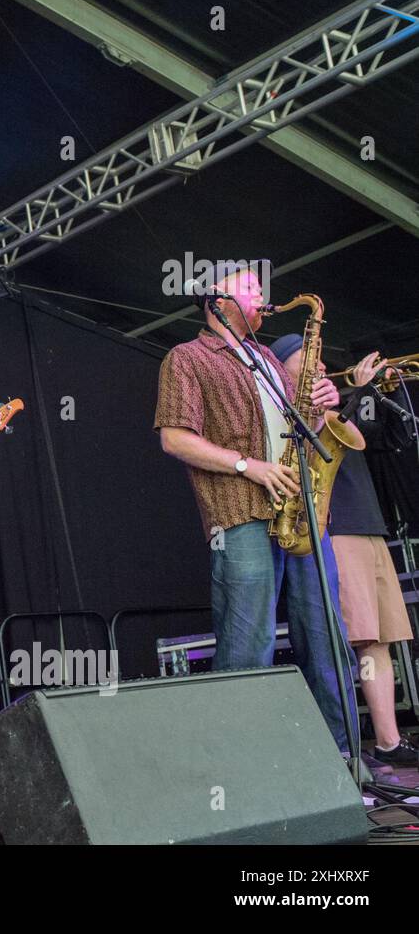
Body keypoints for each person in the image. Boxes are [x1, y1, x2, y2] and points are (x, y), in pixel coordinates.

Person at [154, 269, 358, 756]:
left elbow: (299, 430)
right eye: (253, 290)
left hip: (299, 508)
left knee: (326, 638)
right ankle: (243, 767)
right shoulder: (186, 357)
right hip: (240, 513)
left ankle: (344, 758)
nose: (265, 300)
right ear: (217, 299)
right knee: (249, 647)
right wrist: (249, 466)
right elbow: (174, 437)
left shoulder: (267, 358)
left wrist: (322, 406)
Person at [286, 343, 417, 768]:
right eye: (308, 358)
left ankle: (388, 741)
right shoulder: (295, 411)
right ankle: (344, 747)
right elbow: (337, 434)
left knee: (377, 638)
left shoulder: (342, 405)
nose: (322, 365)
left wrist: (389, 392)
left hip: (369, 526)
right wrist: (360, 392)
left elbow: (391, 438)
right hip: (335, 528)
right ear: (285, 368)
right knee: (353, 638)